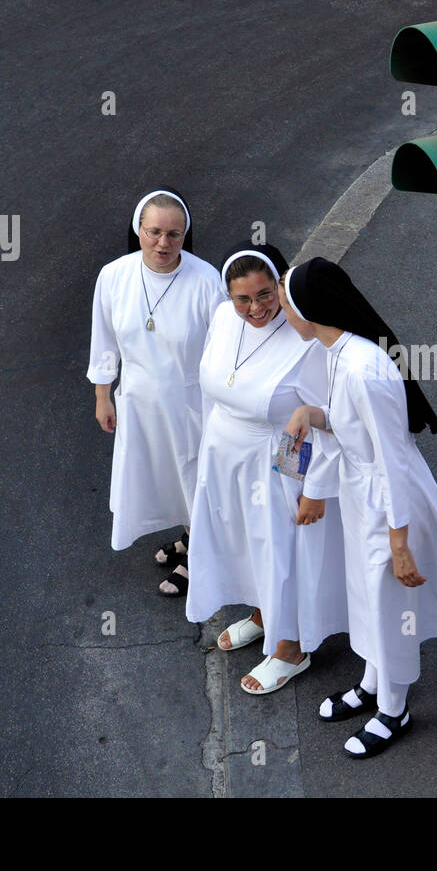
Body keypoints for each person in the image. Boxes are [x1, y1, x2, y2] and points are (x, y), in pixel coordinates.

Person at [279, 257, 437, 758]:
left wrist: (399, 540)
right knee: (367, 597)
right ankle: (370, 683)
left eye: (285, 299)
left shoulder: (364, 368)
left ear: (309, 308)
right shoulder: (337, 352)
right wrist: (312, 415)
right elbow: (350, 425)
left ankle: (394, 708)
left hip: (388, 501)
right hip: (365, 497)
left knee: (391, 606)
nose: (280, 306)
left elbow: (393, 460)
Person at [184, 244, 347, 694]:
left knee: (279, 551)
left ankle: (290, 649)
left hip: (277, 463)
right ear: (228, 297)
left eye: (264, 295)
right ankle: (262, 615)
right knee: (239, 541)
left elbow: (329, 416)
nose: (255, 308)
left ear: (279, 287)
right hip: (224, 457)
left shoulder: (304, 338)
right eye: (243, 299)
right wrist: (205, 453)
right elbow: (211, 389)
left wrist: (314, 487)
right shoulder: (221, 319)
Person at [87, 188, 226, 588]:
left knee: (191, 477)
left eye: (174, 234)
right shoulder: (114, 276)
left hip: (189, 402)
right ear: (139, 229)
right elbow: (104, 340)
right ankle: (188, 535)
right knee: (158, 478)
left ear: (185, 235)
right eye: (154, 232)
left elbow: (221, 347)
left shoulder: (205, 280)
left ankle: (200, 554)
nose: (163, 243)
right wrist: (102, 395)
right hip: (136, 400)